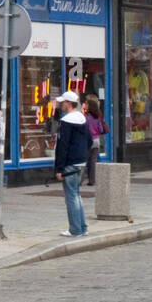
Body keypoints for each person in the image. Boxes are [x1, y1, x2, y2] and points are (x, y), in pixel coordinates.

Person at [54, 91, 92, 237]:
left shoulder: (67, 121)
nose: (61, 105)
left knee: (71, 196)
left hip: (70, 163)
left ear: (69, 104)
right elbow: (89, 140)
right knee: (76, 195)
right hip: (81, 161)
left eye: (63, 102)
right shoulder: (82, 118)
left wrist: (59, 168)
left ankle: (75, 228)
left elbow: (63, 146)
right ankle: (82, 226)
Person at [83, 95, 106, 187]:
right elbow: (100, 129)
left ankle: (80, 178)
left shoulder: (85, 117)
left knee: (85, 160)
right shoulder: (97, 117)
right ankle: (92, 180)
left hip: (88, 140)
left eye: (87, 104)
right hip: (96, 140)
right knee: (93, 161)